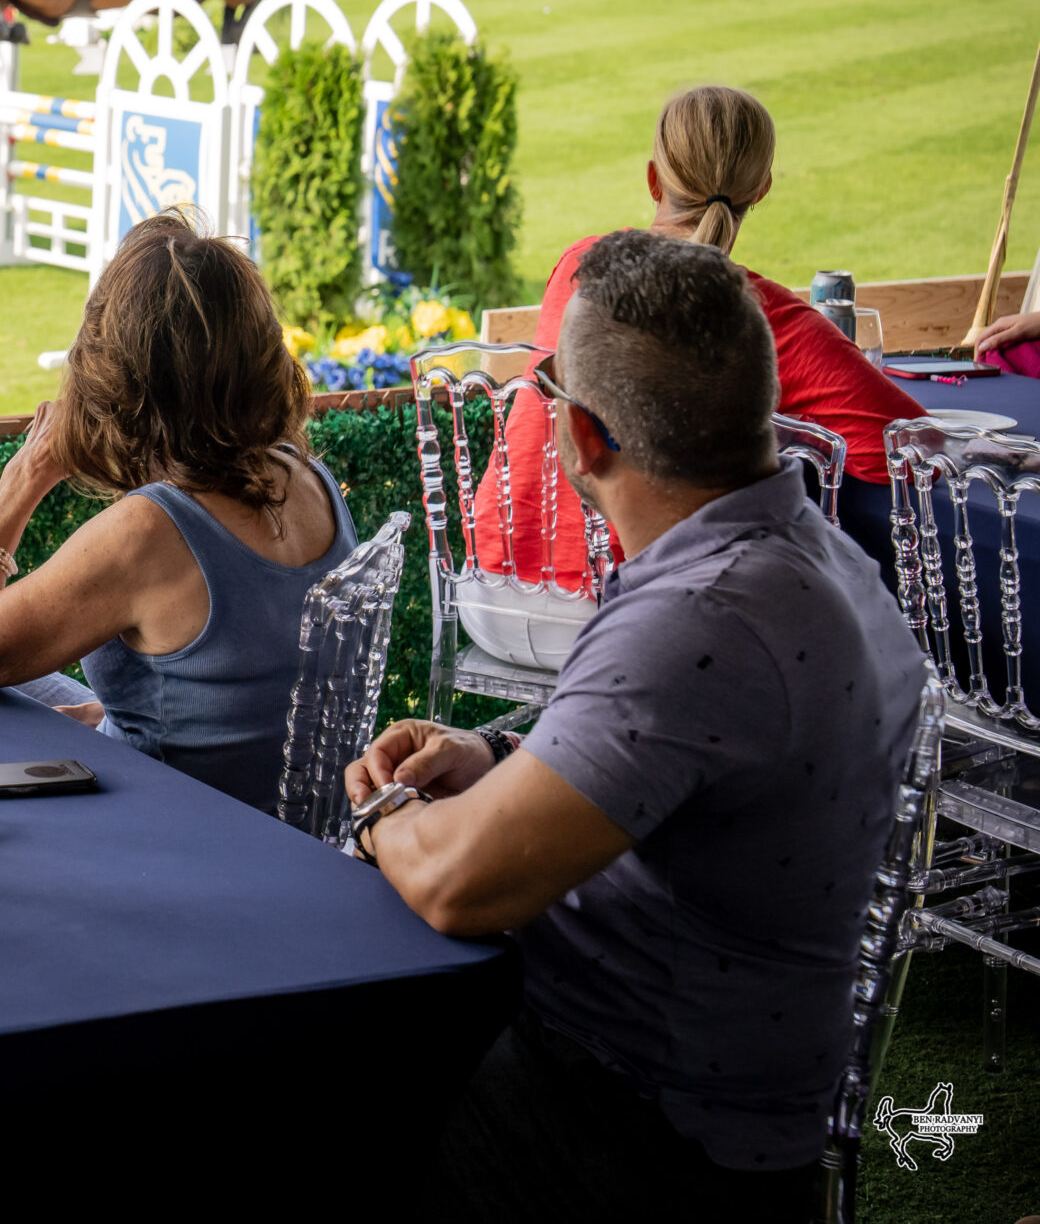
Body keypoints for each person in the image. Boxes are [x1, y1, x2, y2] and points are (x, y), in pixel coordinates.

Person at [347, 231, 925, 1223]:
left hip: (633, 1129)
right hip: (721, 1106)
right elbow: (677, 768)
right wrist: (491, 756)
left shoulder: (701, 617)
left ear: (580, 435)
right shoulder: (816, 560)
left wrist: (380, 820)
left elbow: (455, 886)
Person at [0, 211, 354, 809]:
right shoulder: (309, 479)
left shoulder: (150, 533)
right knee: (44, 697)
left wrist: (24, 478)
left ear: (126, 379)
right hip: (286, 830)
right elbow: (252, 690)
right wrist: (120, 714)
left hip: (168, 838)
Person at [475, 84, 921, 588]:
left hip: (490, 579)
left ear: (653, 180)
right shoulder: (763, 315)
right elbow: (916, 453)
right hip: (631, 607)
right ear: (762, 189)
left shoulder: (580, 263)